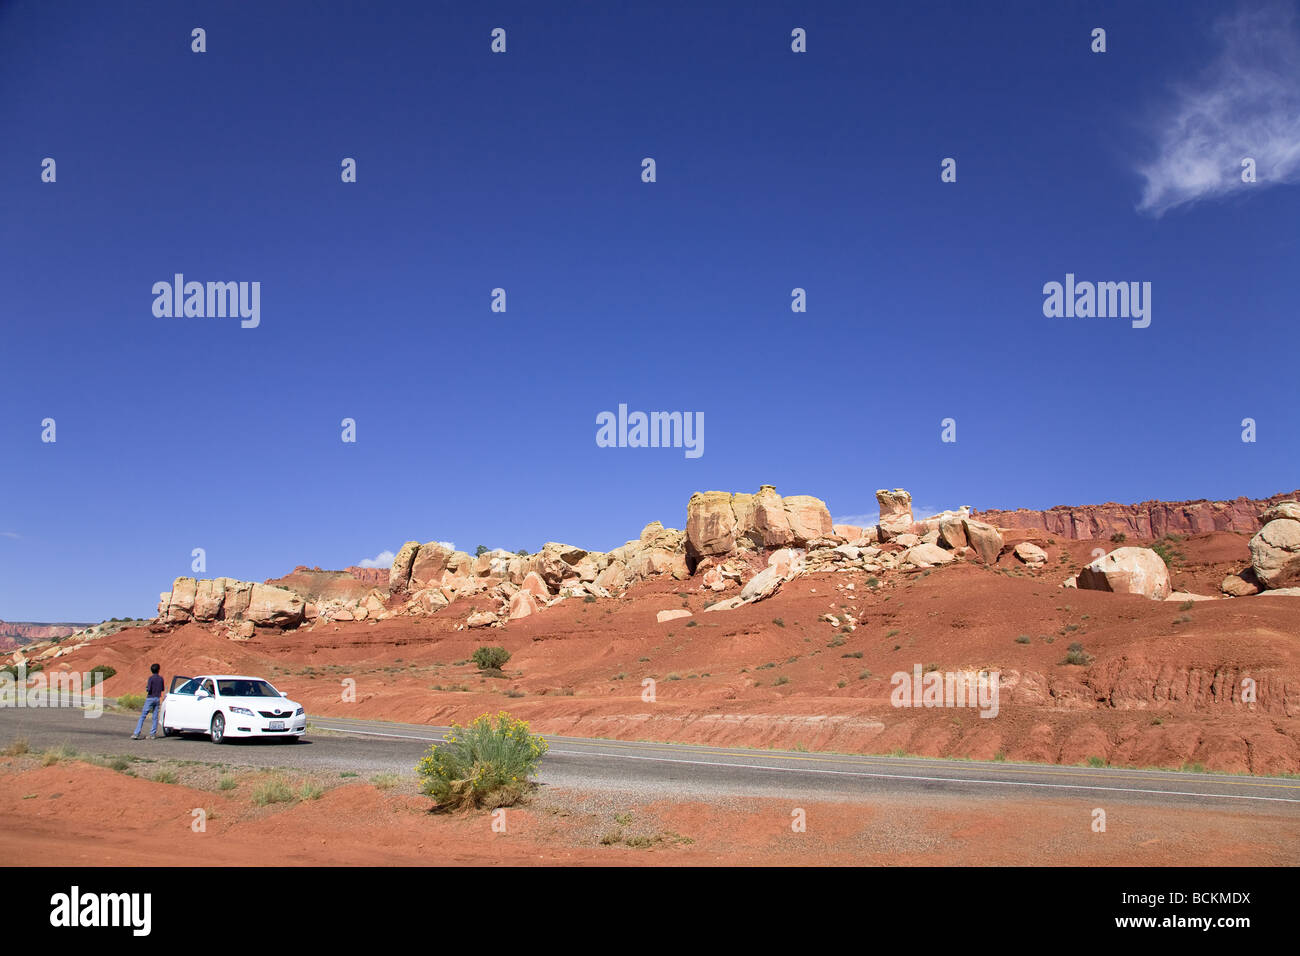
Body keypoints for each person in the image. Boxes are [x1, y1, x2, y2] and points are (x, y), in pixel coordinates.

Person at [131, 663, 166, 740]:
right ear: (158, 670)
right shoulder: (161, 679)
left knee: (143, 716)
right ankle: (152, 734)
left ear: (151, 670)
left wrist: (147, 688)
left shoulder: (151, 678)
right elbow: (162, 689)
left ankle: (136, 733)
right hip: (157, 698)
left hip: (150, 698)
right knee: (155, 717)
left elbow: (149, 689)